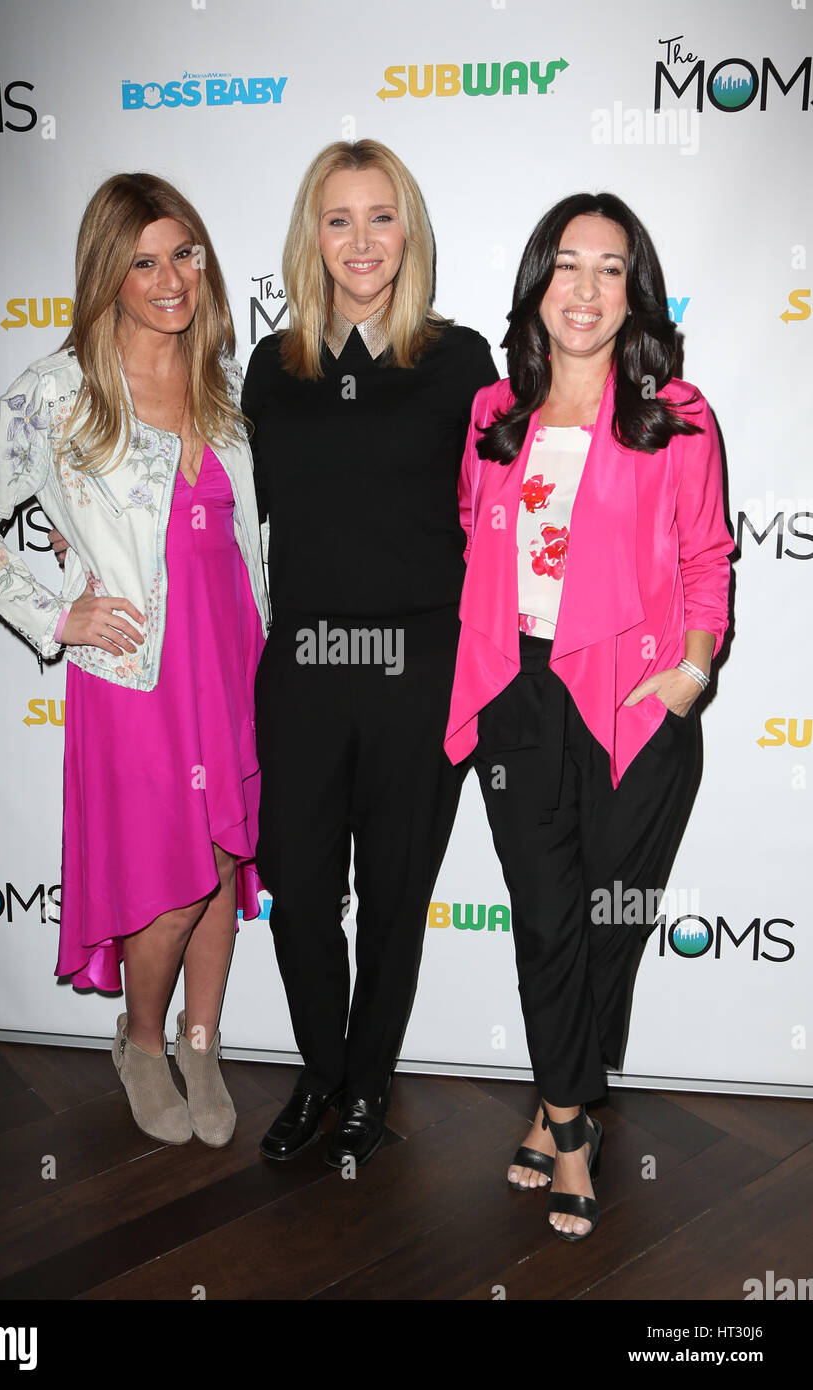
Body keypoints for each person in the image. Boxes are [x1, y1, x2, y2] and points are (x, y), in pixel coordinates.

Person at [0, 172, 269, 1148]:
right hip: (137, 674)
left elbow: (251, 533)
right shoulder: (61, 387)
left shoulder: (227, 382)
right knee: (164, 885)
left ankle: (202, 1042)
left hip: (233, 651)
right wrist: (57, 614)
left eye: (185, 254)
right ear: (108, 275)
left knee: (220, 861)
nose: (171, 278)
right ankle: (140, 1038)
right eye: (144, 261)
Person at [444, 192, 732, 1239]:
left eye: (611, 269)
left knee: (609, 920)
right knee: (549, 917)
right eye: (568, 265)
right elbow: (472, 550)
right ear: (538, 283)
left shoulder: (676, 412)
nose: (586, 288)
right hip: (520, 695)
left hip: (639, 697)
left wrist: (692, 670)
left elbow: (707, 556)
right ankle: (573, 1132)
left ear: (633, 292)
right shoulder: (493, 412)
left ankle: (555, 1091)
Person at [242, 139, 498, 1168]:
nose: (361, 239)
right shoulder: (274, 365)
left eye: (380, 216)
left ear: (410, 231)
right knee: (300, 887)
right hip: (301, 669)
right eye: (338, 218)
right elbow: (218, 515)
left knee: (394, 890)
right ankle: (322, 1067)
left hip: (418, 668)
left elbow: (505, 514)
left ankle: (367, 1083)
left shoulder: (460, 358)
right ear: (314, 234)